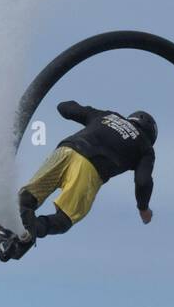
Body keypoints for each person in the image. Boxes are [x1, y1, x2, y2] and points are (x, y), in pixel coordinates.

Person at [19, 103, 157, 242]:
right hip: (89, 168)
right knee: (64, 219)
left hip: (66, 151)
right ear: (150, 136)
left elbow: (64, 108)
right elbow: (143, 181)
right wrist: (143, 209)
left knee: (28, 197)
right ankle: (28, 231)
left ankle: (11, 220)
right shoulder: (145, 147)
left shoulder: (108, 116)